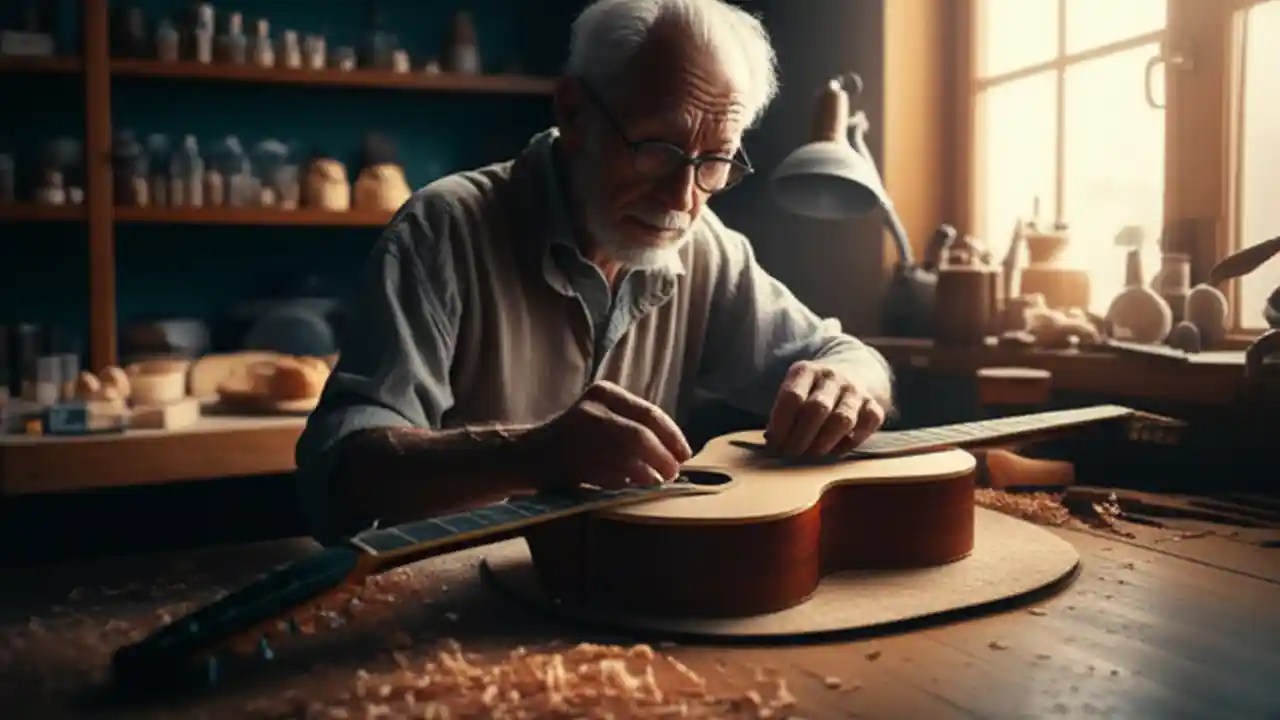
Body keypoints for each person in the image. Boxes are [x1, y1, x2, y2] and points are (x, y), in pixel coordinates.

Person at [295, 0, 895, 542]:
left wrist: (849, 383)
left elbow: (848, 356)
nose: (683, 197)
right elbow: (339, 474)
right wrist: (531, 455)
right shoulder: (444, 228)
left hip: (614, 601)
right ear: (575, 112)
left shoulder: (705, 248)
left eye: (714, 161)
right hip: (449, 608)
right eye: (658, 148)